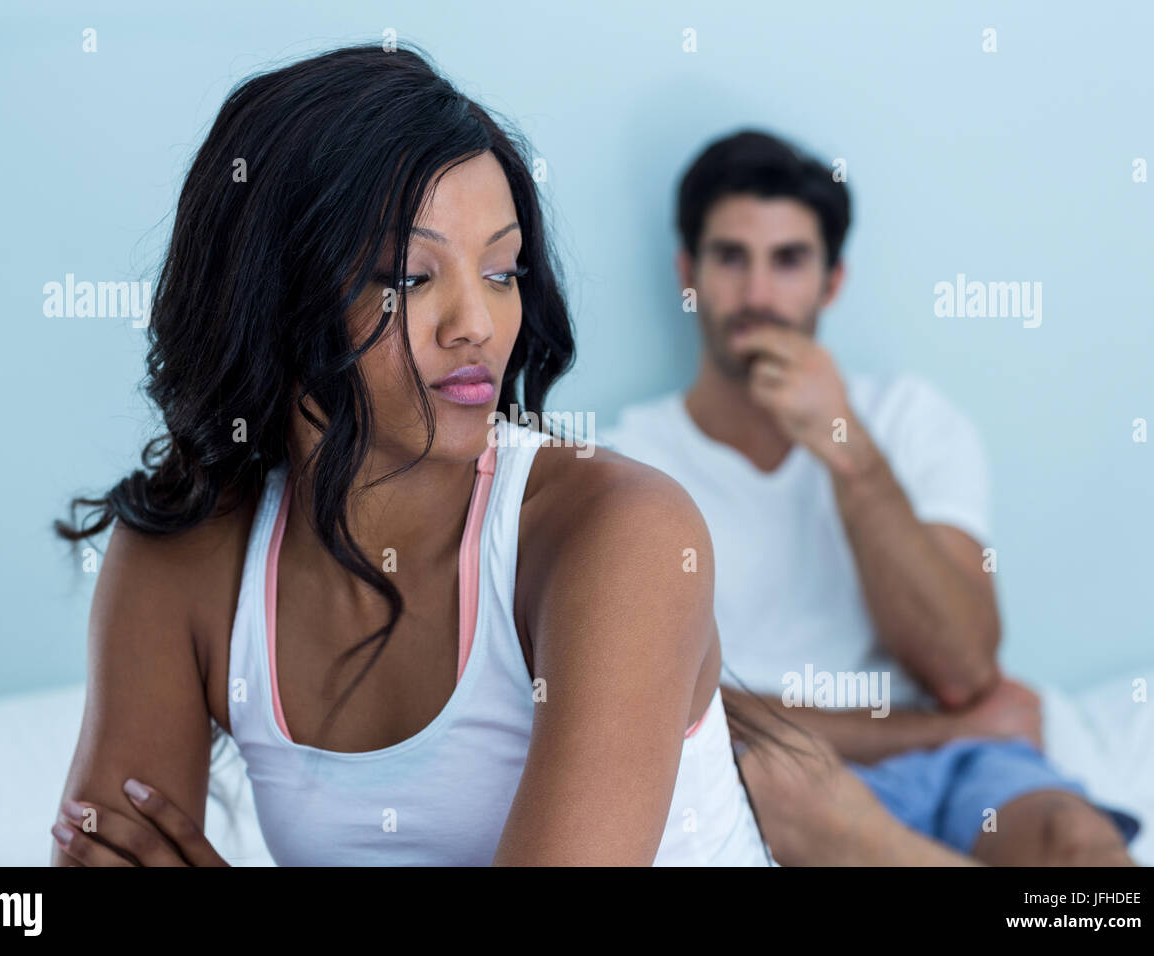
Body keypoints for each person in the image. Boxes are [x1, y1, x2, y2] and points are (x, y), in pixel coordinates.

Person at [48, 43, 775, 867]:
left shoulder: (622, 535)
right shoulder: (186, 558)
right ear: (274, 294)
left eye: (502, 272)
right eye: (409, 277)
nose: (476, 323)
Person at [603, 130, 1140, 865]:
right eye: (731, 258)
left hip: (957, 771)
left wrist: (850, 452)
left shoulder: (911, 419)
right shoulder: (626, 461)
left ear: (833, 282)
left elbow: (962, 669)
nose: (759, 296)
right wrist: (945, 730)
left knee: (1077, 841)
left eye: (789, 261)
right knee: (801, 799)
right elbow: (669, 706)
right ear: (686, 272)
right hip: (775, 775)